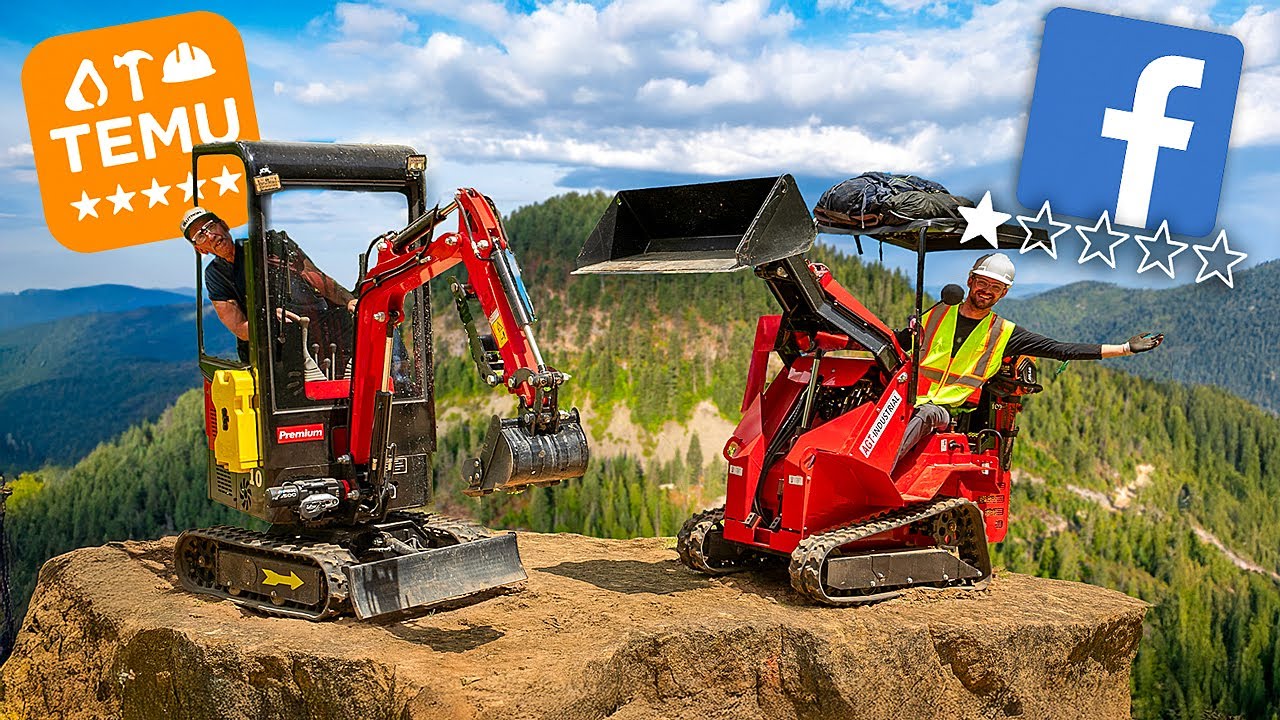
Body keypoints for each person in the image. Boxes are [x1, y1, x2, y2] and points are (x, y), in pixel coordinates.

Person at [894, 252, 1163, 466]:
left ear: (1004, 293)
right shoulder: (936, 314)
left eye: (995, 287)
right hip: (904, 398)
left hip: (944, 411)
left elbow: (1060, 349)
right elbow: (899, 342)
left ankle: (880, 472)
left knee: (926, 414)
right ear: (970, 281)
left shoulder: (1004, 333)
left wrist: (1125, 348)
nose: (987, 290)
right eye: (982, 283)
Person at [181, 206, 357, 362]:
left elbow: (315, 277)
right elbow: (240, 328)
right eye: (200, 236)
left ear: (224, 225)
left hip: (319, 331)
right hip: (272, 354)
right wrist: (269, 321)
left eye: (211, 226)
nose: (210, 235)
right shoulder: (216, 275)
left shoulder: (270, 243)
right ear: (200, 249)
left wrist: (349, 300)